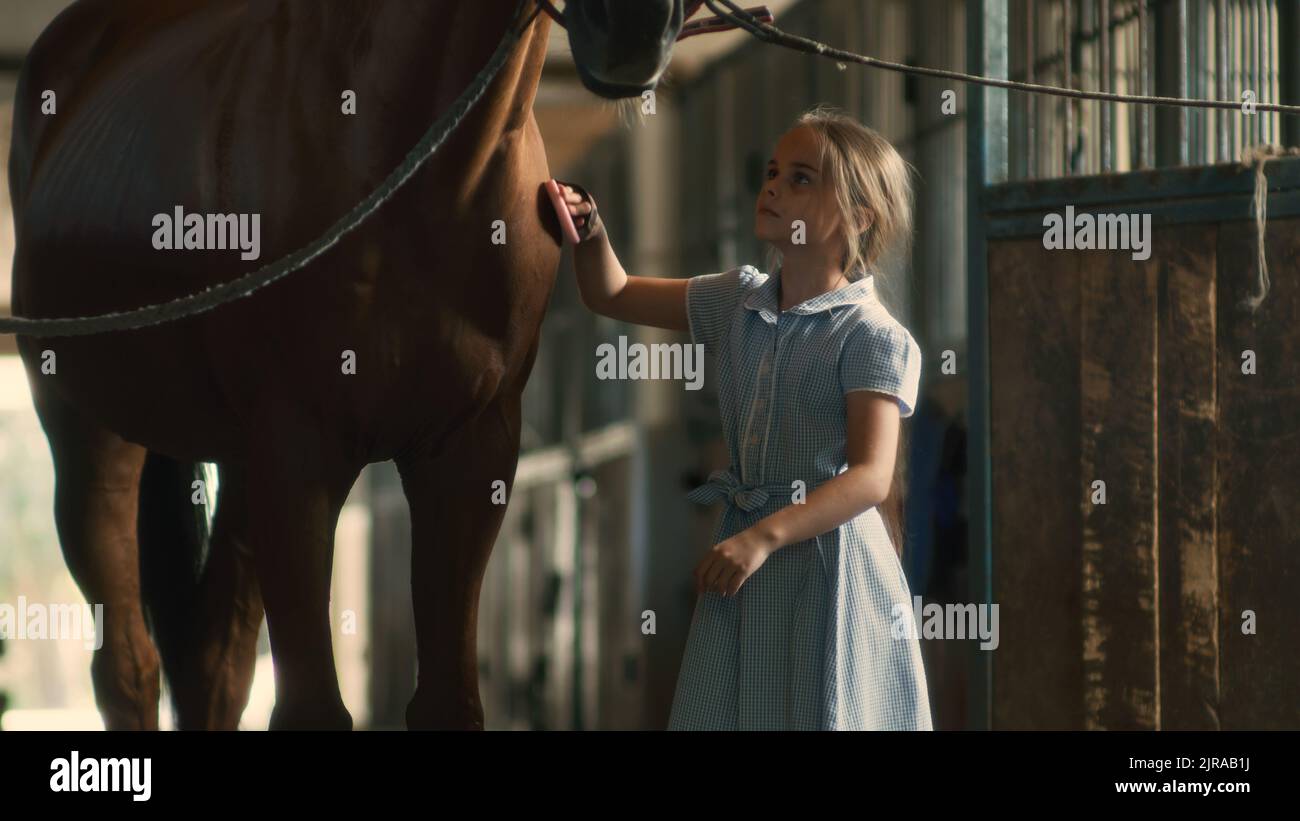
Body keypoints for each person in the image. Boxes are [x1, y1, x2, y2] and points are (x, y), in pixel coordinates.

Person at [556, 104, 932, 730]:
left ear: (860, 217)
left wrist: (762, 537)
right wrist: (590, 228)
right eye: (772, 172)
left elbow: (869, 477)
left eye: (802, 178)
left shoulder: (871, 335)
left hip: (825, 567)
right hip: (742, 558)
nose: (773, 187)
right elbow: (611, 293)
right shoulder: (736, 298)